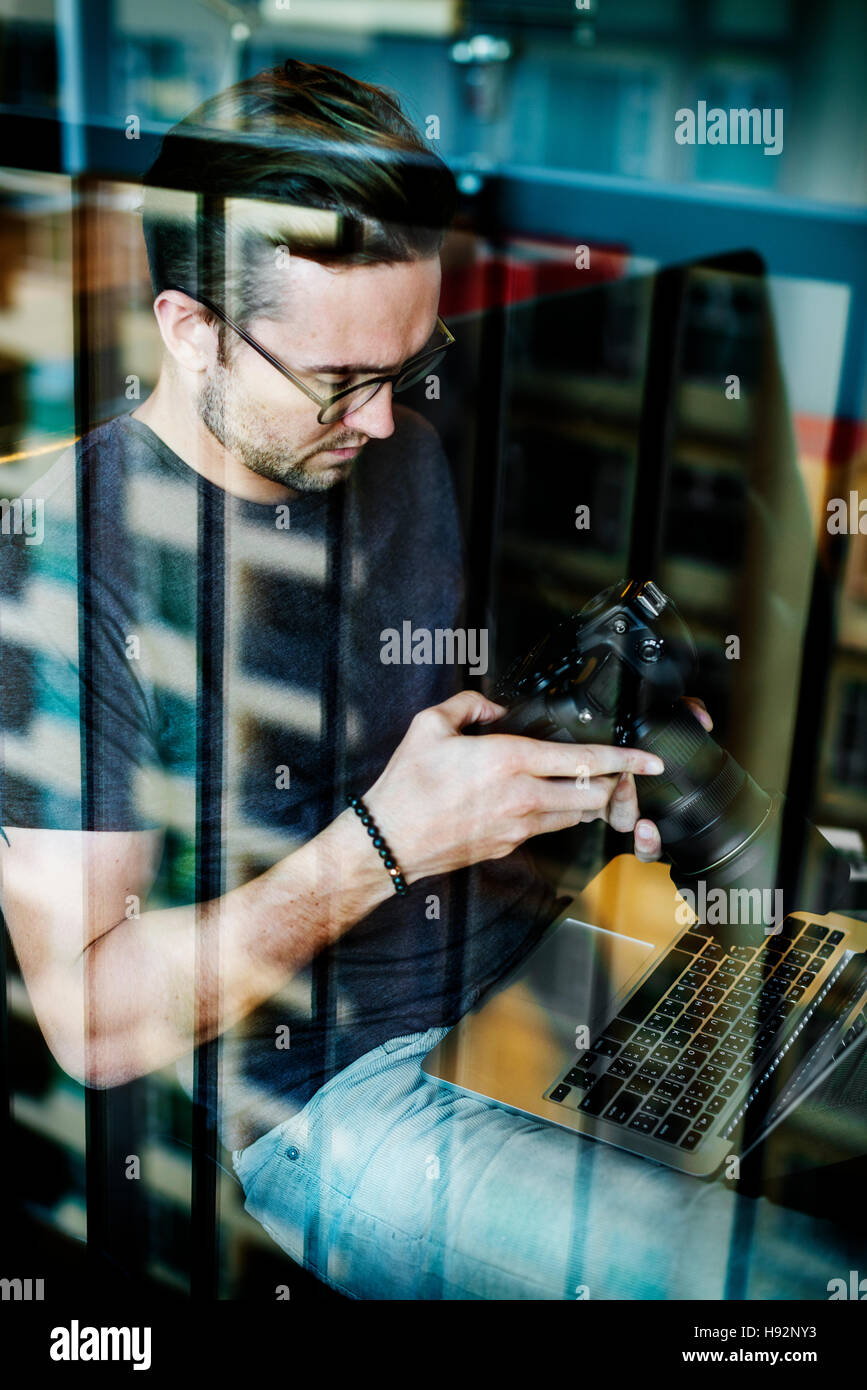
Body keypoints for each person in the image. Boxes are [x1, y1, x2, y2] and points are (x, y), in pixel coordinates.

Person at [0, 60, 862, 1301]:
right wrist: (382, 845)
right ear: (193, 332)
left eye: (409, 364)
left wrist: (568, 756)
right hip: (344, 1093)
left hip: (568, 955)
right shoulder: (65, 578)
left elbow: (416, 717)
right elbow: (89, 1021)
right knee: (783, 1285)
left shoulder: (389, 448)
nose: (389, 421)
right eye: (341, 381)